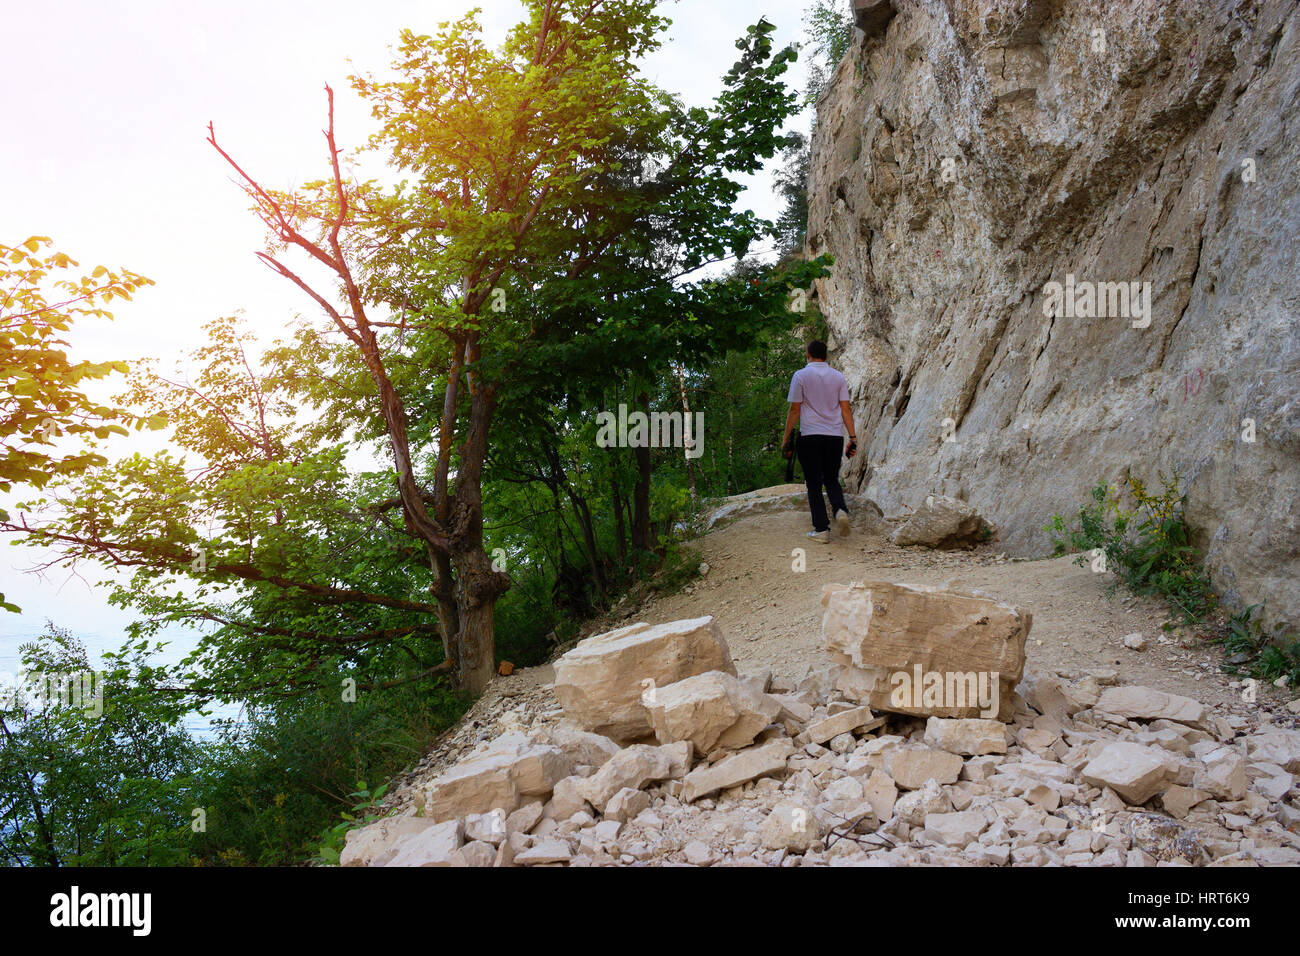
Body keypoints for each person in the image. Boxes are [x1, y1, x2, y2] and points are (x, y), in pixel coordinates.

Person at [781, 340, 857, 542]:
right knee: (831, 478)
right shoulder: (838, 377)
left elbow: (795, 409)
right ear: (826, 355)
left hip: (810, 436)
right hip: (834, 436)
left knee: (813, 484)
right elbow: (845, 409)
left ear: (808, 354)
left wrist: (786, 437)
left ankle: (822, 529)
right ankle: (840, 510)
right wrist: (852, 437)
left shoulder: (800, 376)